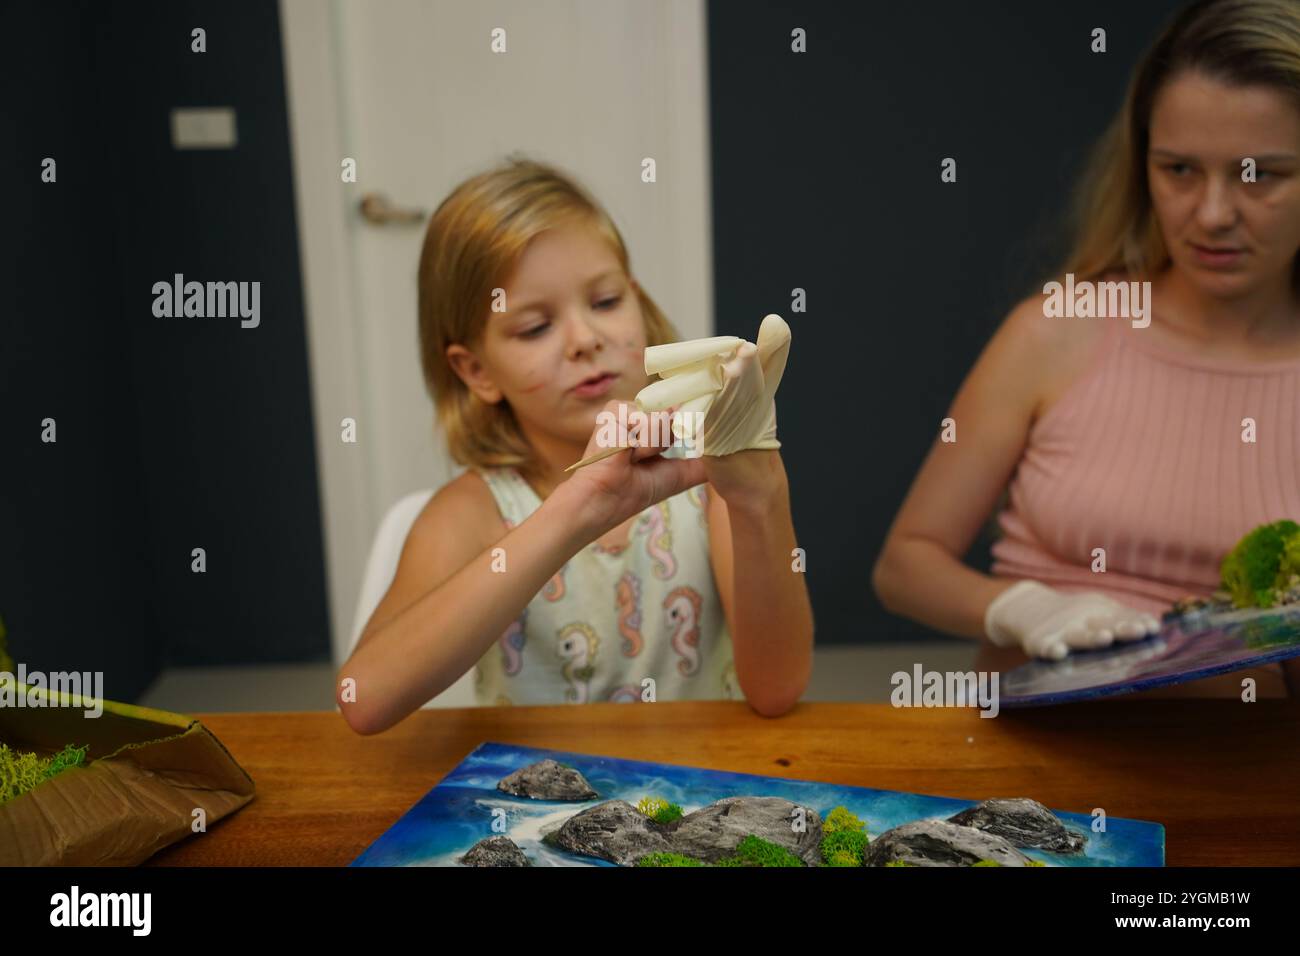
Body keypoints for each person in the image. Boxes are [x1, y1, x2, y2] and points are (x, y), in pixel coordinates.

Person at [873, 0, 1300, 697]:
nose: (1214, 213)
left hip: (1251, 784)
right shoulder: (1057, 329)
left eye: (1261, 175)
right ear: (1142, 167)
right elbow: (904, 567)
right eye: (1180, 170)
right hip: (1035, 788)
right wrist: (1017, 608)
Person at [339, 157, 813, 733]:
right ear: (475, 370)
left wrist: (762, 500)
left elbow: (778, 690)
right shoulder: (474, 511)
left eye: (607, 301)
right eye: (535, 327)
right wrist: (575, 510)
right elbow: (363, 698)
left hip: (696, 796)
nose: (586, 339)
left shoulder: (705, 480)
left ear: (637, 299)